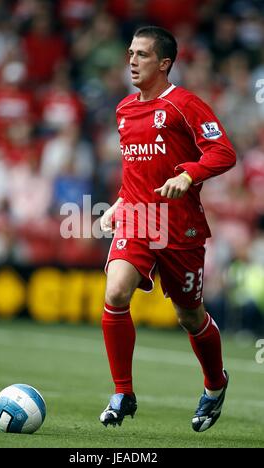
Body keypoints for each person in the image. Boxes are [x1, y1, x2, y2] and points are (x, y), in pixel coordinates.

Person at [99, 26, 236, 432]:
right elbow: (136, 171)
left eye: (141, 55)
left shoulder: (185, 105)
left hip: (181, 228)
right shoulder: (124, 110)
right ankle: (123, 392)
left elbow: (224, 151)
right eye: (130, 53)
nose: (132, 61)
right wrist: (121, 203)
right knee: (116, 291)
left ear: (164, 63)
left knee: (189, 316)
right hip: (139, 220)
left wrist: (190, 176)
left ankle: (215, 384)